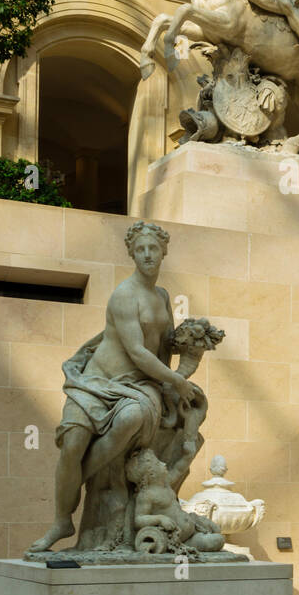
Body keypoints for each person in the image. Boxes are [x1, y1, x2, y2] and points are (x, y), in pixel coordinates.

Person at [28, 221, 190, 553]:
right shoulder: (124, 295)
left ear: (163, 253)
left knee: (131, 418)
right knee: (73, 442)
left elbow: (162, 348)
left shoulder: (162, 297)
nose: (147, 254)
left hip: (139, 386)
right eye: (140, 249)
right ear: (132, 254)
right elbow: (137, 351)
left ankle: (80, 482)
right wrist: (176, 381)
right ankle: (62, 518)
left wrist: (191, 347)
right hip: (96, 381)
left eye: (153, 249)